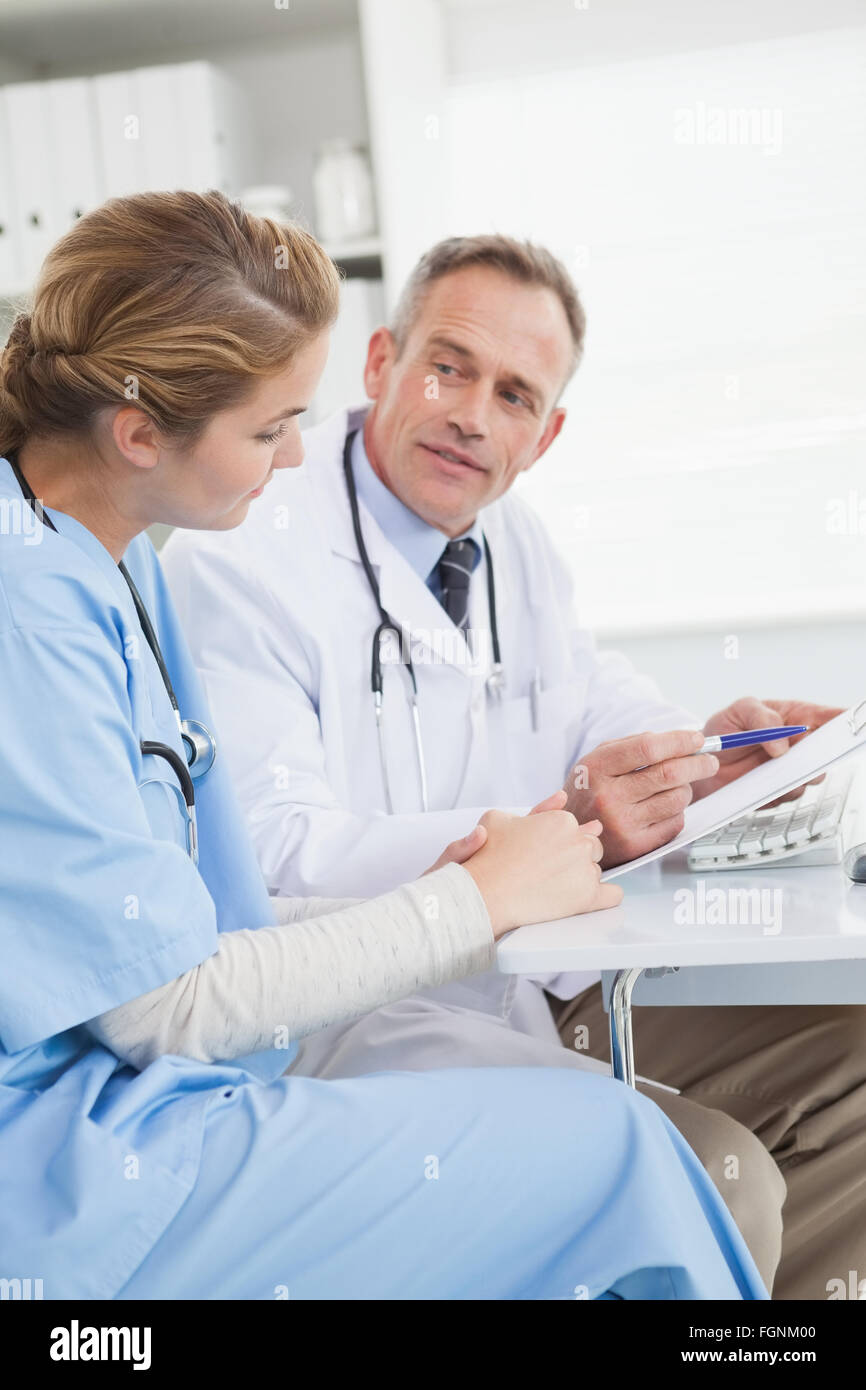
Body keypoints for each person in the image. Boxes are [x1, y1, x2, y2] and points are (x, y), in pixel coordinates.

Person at [0, 190, 770, 1303]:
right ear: (137, 432)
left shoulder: (115, 573)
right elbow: (160, 999)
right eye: (270, 430)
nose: (294, 458)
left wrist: (667, 776)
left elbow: (208, 926)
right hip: (83, 1163)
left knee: (628, 1142)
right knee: (622, 1154)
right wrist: (477, 897)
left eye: (514, 394)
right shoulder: (37, 605)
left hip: (171, 1082)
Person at [161, 235, 862, 1301]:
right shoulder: (242, 548)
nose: (471, 415)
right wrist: (535, 834)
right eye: (449, 367)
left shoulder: (511, 541)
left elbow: (584, 696)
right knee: (719, 1177)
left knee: (853, 1069)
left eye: (515, 395)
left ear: (547, 432)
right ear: (381, 361)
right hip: (362, 1009)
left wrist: (709, 756)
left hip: (535, 976)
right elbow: (265, 846)